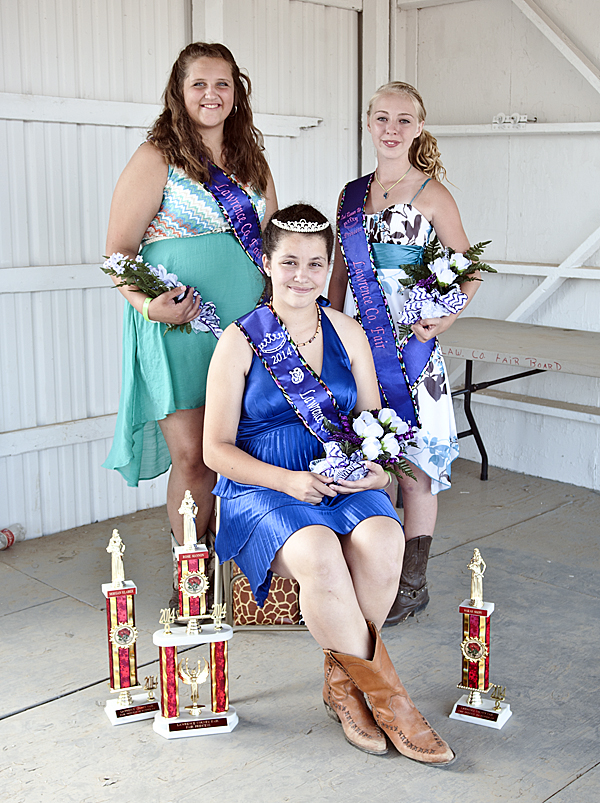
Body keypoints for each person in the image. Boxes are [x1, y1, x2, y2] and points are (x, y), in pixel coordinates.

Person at [203, 203, 454, 764]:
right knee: (318, 553)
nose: (301, 275)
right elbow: (214, 451)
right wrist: (289, 482)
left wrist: (377, 469)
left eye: (315, 264)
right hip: (266, 482)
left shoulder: (349, 332)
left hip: (338, 476)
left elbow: (372, 422)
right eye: (288, 261)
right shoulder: (239, 341)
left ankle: (343, 686)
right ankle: (392, 703)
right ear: (267, 263)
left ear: (328, 268)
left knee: (386, 542)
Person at [102, 43, 278, 589]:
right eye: (199, 84)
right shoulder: (156, 156)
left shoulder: (251, 157)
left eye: (222, 84)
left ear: (237, 90)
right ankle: (193, 579)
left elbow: (273, 243)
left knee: (244, 446)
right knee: (196, 456)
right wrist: (145, 303)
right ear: (179, 92)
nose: (211, 95)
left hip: (245, 327)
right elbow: (117, 253)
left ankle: (244, 568)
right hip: (179, 329)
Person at [329, 81, 479, 626]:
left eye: (404, 120)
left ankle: (411, 584)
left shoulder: (433, 195)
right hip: (359, 348)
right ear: (368, 123)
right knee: (364, 459)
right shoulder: (349, 195)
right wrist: (329, 334)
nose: (391, 129)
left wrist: (448, 314)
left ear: (419, 128)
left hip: (412, 351)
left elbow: (470, 268)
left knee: (414, 468)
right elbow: (341, 273)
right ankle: (371, 569)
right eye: (382, 118)